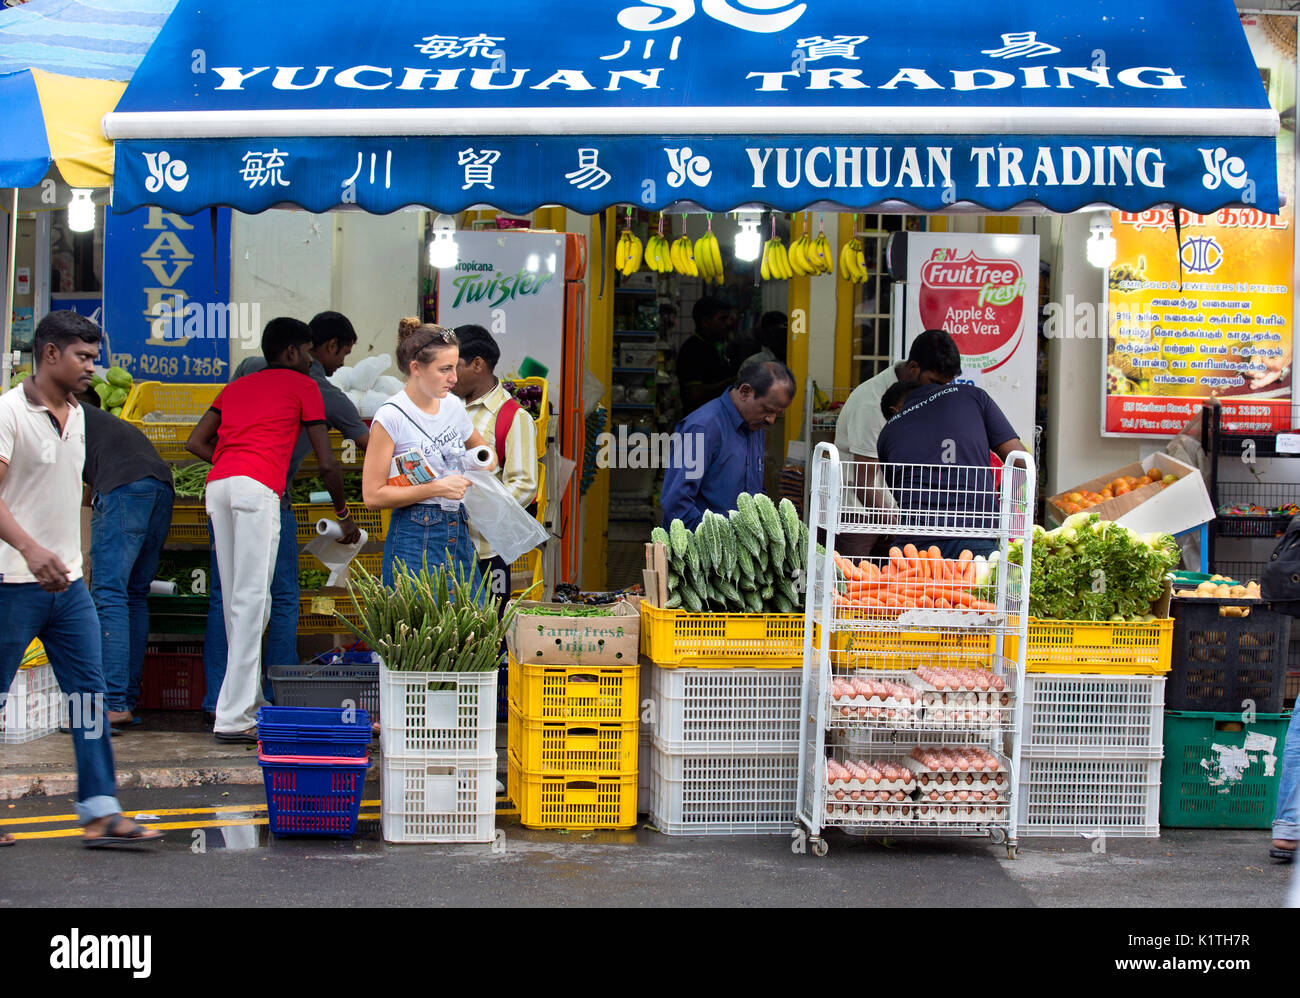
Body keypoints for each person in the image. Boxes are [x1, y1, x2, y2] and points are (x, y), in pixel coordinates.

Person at [0, 311, 161, 848]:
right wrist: (28, 547)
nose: (93, 367)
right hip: (10, 582)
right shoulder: (8, 413)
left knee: (89, 700)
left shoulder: (80, 417)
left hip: (66, 588)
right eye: (83, 357)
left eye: (94, 357)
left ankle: (99, 810)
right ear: (50, 354)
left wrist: (64, 556)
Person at [186, 318, 359, 743]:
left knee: (235, 601)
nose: (311, 359)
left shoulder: (237, 385)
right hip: (257, 490)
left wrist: (233, 465)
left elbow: (196, 441)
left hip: (219, 488)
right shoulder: (304, 387)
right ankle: (232, 717)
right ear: (292, 353)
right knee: (252, 601)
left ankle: (242, 702)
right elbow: (326, 462)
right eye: (306, 351)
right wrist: (343, 512)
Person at [362, 319, 496, 589]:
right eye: (444, 369)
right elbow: (373, 495)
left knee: (470, 623)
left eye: (455, 367)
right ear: (416, 369)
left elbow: (485, 453)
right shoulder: (391, 417)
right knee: (417, 626)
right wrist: (437, 487)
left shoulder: (453, 406)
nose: (454, 378)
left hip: (457, 527)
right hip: (414, 534)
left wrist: (483, 462)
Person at [80, 389, 175, 731]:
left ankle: (111, 704)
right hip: (161, 487)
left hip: (125, 491)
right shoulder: (105, 425)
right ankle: (126, 700)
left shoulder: (63, 416)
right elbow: (88, 488)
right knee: (134, 594)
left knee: (108, 593)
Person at [833, 330, 963, 555]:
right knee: (850, 586)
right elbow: (864, 484)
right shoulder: (871, 403)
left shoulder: (921, 397)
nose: (938, 391)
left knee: (893, 588)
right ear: (913, 368)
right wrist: (899, 528)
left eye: (945, 386)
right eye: (934, 382)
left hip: (895, 514)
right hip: (857, 516)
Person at [876, 380, 1029, 560]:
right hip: (976, 533)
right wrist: (1002, 495)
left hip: (915, 542)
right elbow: (1022, 462)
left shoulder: (887, 434)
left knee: (914, 587)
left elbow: (900, 491)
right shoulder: (972, 397)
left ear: (894, 410)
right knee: (984, 586)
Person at [451, 324, 538, 608]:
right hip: (445, 548)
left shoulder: (513, 417)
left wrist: (477, 511)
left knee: (488, 633)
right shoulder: (448, 409)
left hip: (486, 553)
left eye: (455, 367)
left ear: (477, 364)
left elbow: (524, 485)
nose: (450, 377)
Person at [660, 360, 796, 530]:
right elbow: (675, 502)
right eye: (768, 409)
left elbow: (754, 490)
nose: (771, 420)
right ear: (745, 391)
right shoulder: (702, 427)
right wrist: (716, 540)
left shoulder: (755, 427)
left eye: (777, 414)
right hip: (699, 547)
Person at [677, 296, 737, 416]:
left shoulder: (713, 346)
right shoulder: (693, 349)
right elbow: (694, 394)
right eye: (722, 319)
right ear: (706, 322)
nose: (728, 323)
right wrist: (731, 382)